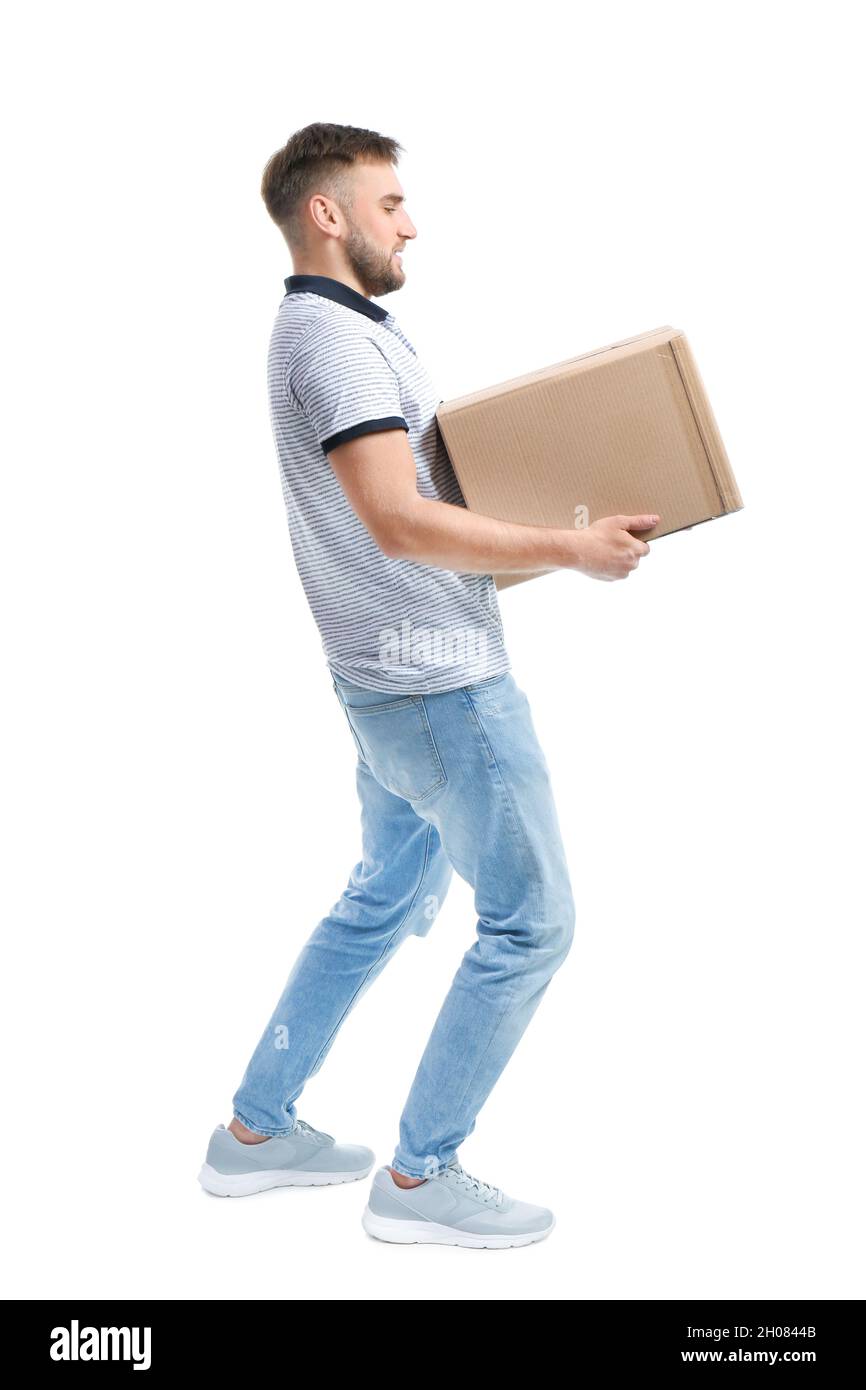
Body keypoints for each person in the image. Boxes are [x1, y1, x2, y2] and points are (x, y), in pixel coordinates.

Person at [197, 122, 658, 1249]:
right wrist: (571, 546)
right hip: (441, 693)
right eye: (391, 203)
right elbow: (398, 522)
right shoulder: (334, 342)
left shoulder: (341, 327)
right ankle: (419, 1178)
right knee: (532, 924)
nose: (410, 224)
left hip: (385, 689)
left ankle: (254, 1131)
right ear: (328, 214)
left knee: (384, 901)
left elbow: (412, 492)